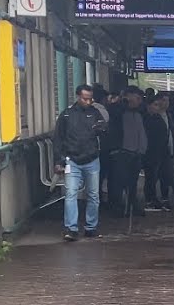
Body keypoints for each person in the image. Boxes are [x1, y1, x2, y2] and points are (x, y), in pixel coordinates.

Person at [53, 85, 108, 241]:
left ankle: (90, 227)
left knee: (93, 195)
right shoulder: (66, 115)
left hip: (91, 158)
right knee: (71, 194)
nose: (88, 101)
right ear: (78, 97)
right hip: (72, 160)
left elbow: (105, 129)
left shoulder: (95, 113)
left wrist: (102, 128)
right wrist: (59, 160)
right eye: (85, 98)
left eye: (90, 98)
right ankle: (72, 228)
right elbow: (58, 138)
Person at [105, 86, 149, 217]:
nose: (140, 101)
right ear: (128, 97)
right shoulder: (117, 110)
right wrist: (122, 102)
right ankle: (117, 208)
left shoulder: (138, 112)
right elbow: (113, 112)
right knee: (118, 183)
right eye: (137, 98)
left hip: (136, 152)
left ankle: (132, 206)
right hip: (121, 152)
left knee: (132, 183)